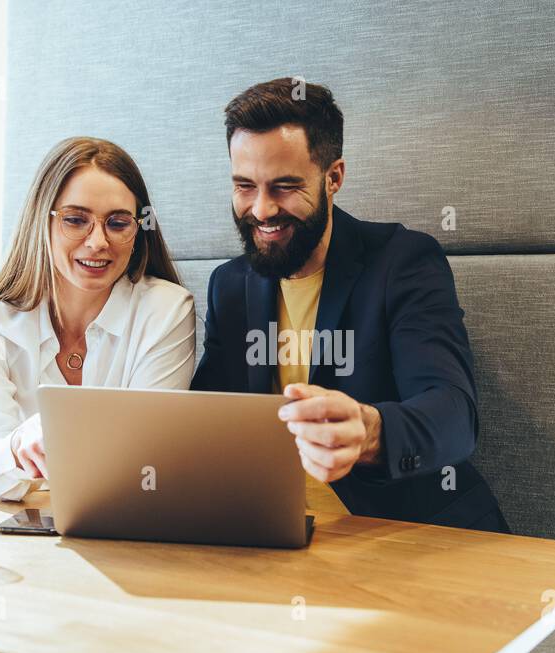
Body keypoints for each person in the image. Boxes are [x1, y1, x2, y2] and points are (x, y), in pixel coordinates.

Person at [192, 79, 508, 532]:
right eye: (245, 186)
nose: (261, 210)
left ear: (333, 177)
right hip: (289, 537)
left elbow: (455, 415)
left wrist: (369, 431)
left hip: (416, 533)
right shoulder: (229, 284)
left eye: (284, 187)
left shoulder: (404, 261)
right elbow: (206, 420)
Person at [0, 137, 195, 500]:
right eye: (76, 220)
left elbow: (148, 465)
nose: (97, 242)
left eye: (118, 223)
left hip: (129, 532)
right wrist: (12, 447)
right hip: (25, 538)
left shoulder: (166, 311)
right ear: (40, 221)